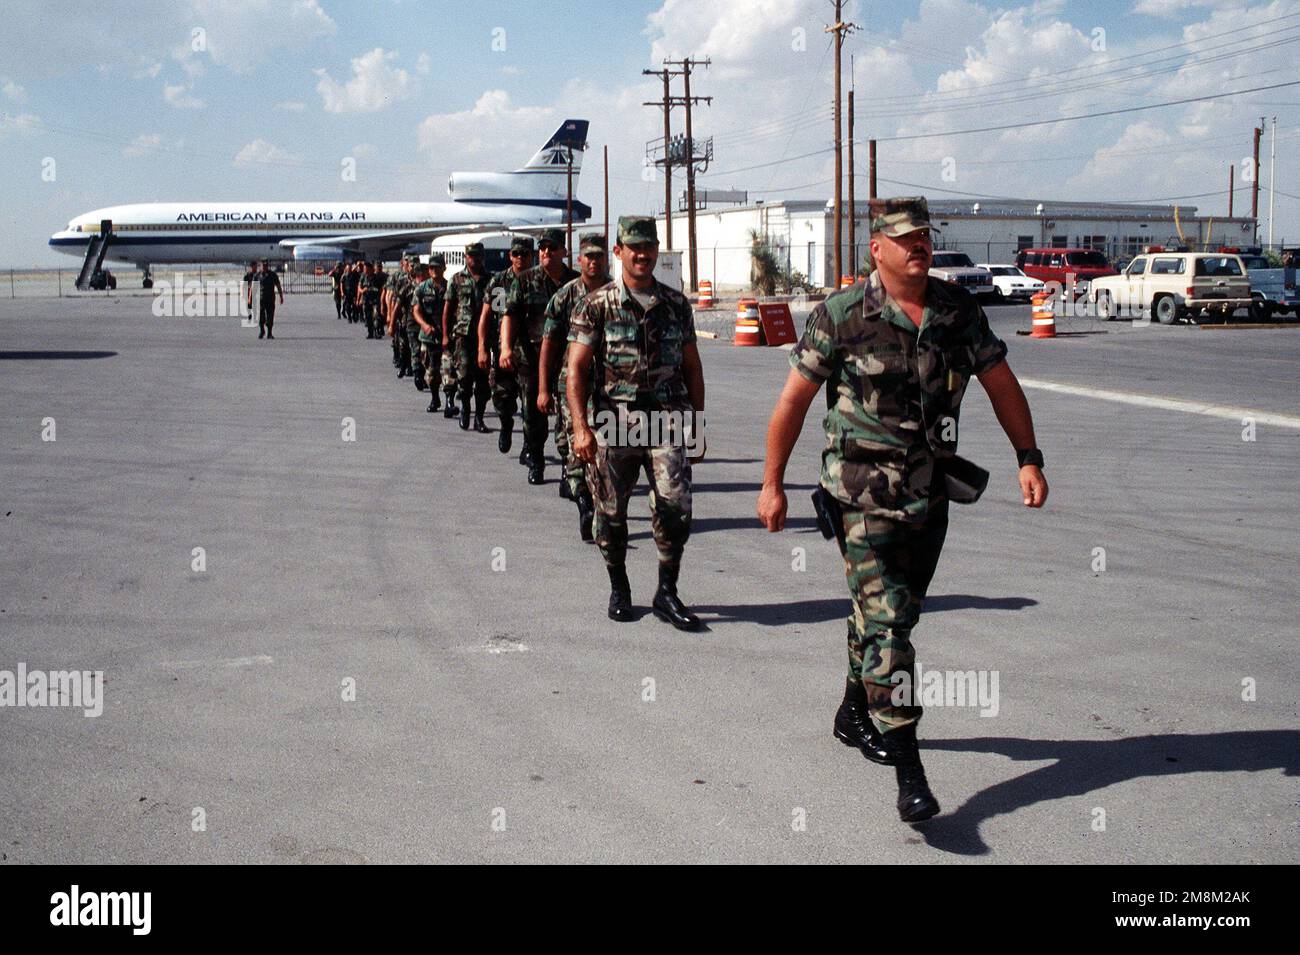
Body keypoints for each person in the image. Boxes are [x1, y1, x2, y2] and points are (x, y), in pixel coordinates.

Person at [755, 197, 1049, 824]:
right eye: (904, 237)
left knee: (888, 613)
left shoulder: (956, 310)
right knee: (891, 625)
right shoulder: (841, 315)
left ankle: (852, 709)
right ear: (877, 249)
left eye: (924, 236)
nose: (919, 244)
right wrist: (771, 483)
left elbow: (1000, 382)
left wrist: (1028, 457)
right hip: (859, 497)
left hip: (929, 494)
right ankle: (909, 767)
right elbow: (793, 402)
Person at [567, 216, 705, 630]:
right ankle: (619, 587)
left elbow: (693, 368)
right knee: (610, 513)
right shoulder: (596, 305)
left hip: (666, 421)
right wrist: (581, 428)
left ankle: (667, 592)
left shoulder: (675, 304)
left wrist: (697, 427)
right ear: (619, 251)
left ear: (657, 250)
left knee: (675, 507)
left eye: (649, 247)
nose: (642, 255)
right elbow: (576, 370)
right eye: (634, 248)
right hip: (614, 422)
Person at [538, 232, 609, 539]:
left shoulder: (617, 294)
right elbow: (549, 345)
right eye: (588, 256)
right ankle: (584, 504)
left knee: (606, 449)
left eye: (599, 256)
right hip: (573, 384)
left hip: (608, 386)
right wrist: (543, 388)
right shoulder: (565, 296)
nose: (594, 262)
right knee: (578, 445)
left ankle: (599, 503)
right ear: (579, 260)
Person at [501, 229, 579, 486]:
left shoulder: (576, 282)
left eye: (552, 247)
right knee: (533, 415)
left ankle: (569, 469)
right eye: (543, 247)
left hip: (567, 360)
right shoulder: (525, 281)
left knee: (568, 416)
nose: (546, 252)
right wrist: (506, 348)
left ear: (564, 252)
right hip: (531, 359)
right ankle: (536, 460)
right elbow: (510, 316)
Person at [480, 236, 533, 456]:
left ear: (531, 256)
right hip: (503, 349)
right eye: (516, 253)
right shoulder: (500, 282)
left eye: (524, 254)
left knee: (530, 405)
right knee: (501, 396)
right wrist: (482, 347)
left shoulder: (537, 281)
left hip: (530, 351)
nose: (520, 258)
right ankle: (506, 424)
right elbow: (487, 316)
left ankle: (529, 447)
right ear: (510, 256)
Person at [446, 242, 492, 432]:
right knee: (464, 376)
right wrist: (445, 335)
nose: (474, 259)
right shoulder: (456, 279)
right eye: (471, 255)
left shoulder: (493, 281)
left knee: (483, 380)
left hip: (485, 337)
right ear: (466, 257)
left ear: (483, 257)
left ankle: (479, 417)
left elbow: (500, 309)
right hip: (462, 335)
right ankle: (465, 409)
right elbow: (448, 309)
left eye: (478, 255)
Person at [415, 254, 450, 413]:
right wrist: (425, 325)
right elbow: (416, 310)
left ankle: (449, 400)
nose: (434, 270)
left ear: (444, 268)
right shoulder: (422, 288)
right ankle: (435, 398)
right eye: (431, 268)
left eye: (437, 267)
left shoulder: (450, 287)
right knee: (431, 370)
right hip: (428, 337)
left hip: (447, 336)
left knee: (448, 369)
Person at [251, 261, 283, 340]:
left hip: (270, 299)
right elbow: (253, 288)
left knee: (270, 316)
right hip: (261, 299)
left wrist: (281, 296)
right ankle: (262, 331)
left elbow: (278, 285)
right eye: (263, 266)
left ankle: (269, 333)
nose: (264, 267)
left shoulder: (273, 275)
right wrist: (251, 299)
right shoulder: (257, 276)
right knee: (261, 316)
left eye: (266, 266)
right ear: (260, 266)